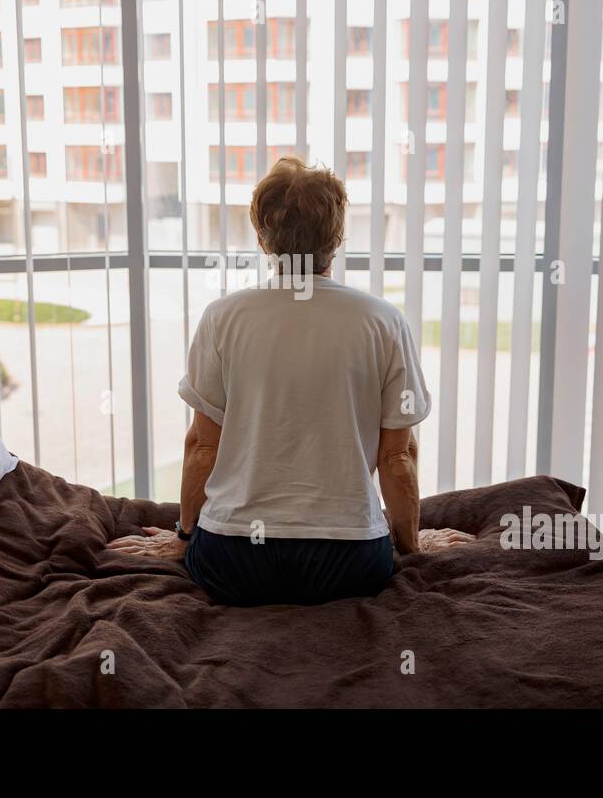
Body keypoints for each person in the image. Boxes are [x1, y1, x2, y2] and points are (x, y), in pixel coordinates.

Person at [106, 156, 474, 604]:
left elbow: (202, 447)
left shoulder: (222, 318)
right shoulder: (383, 321)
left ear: (263, 238)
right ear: (337, 237)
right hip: (352, 563)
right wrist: (413, 546)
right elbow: (398, 458)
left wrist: (183, 539)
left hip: (233, 561)